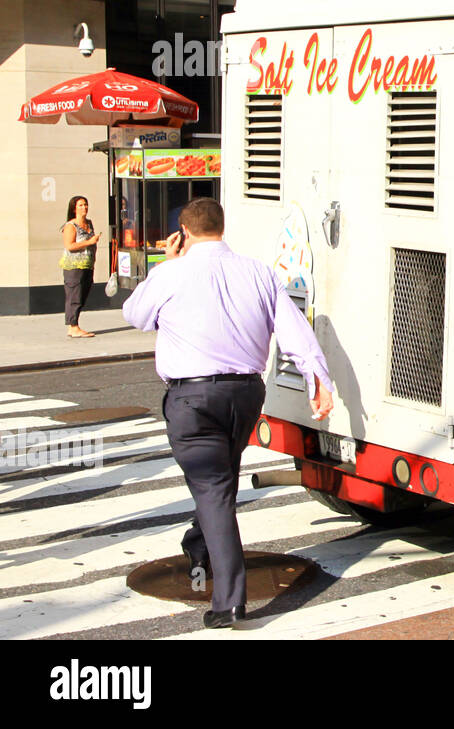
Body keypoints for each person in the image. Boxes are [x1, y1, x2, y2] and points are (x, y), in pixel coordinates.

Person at [123, 196, 334, 630]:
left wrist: (165, 262)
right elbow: (293, 328)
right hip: (245, 394)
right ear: (222, 227)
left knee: (214, 488)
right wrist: (319, 379)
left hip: (192, 398)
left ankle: (229, 601)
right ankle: (198, 542)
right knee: (220, 479)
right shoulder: (257, 271)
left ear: (182, 232)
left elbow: (136, 316)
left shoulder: (171, 272)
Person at [61, 195, 101, 338]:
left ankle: (75, 324)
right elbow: (69, 246)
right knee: (74, 295)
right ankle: (73, 326)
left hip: (88, 264)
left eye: (86, 204)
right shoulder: (70, 226)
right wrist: (89, 242)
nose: (84, 208)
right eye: (81, 205)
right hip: (74, 266)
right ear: (74, 208)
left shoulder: (89, 223)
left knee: (83, 294)